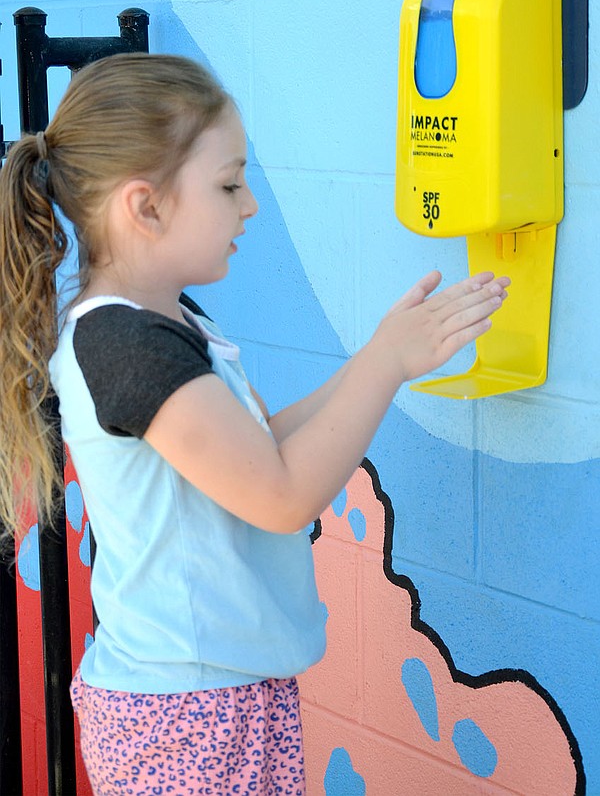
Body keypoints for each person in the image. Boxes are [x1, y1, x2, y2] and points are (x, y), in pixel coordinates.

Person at [0, 53, 509, 796]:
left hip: (220, 691)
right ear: (145, 206)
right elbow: (280, 494)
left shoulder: (168, 322)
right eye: (229, 183)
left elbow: (261, 447)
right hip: (181, 712)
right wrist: (387, 365)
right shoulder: (122, 346)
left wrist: (376, 353)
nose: (250, 206)